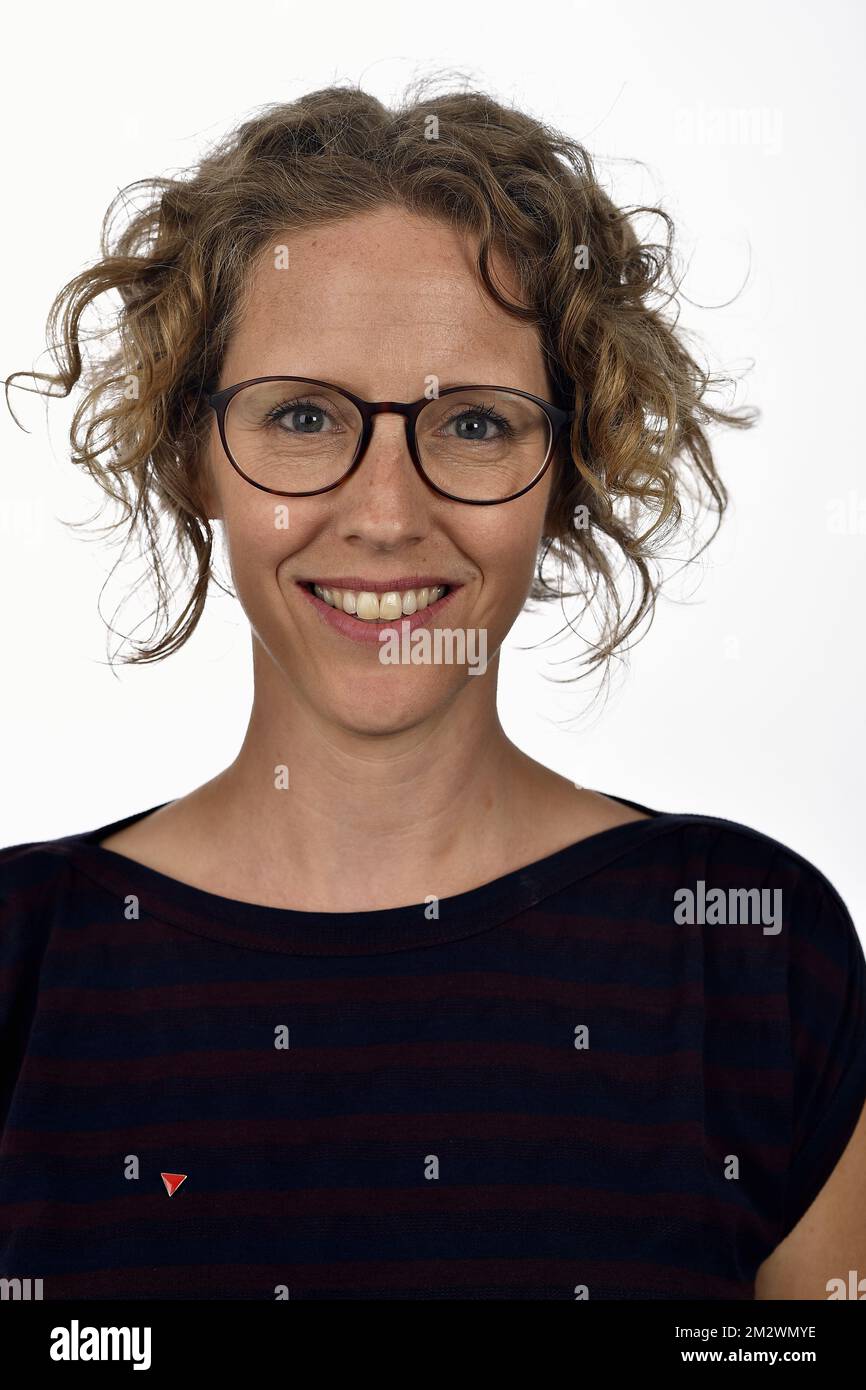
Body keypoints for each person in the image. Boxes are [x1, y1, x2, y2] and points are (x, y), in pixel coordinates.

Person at [2, 82, 864, 1301]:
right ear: (192, 451)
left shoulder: (748, 955)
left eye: (471, 423)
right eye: (303, 415)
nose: (388, 514)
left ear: (566, 466)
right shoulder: (20, 966)